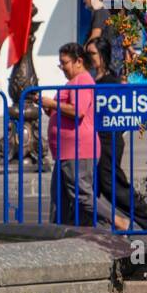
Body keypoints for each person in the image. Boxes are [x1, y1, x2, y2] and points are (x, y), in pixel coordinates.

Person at [86, 37, 147, 231]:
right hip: (93, 139)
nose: (89, 58)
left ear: (103, 56)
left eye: (92, 54)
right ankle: (90, 228)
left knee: (111, 185)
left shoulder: (111, 81)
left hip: (108, 140)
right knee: (92, 186)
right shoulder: (90, 79)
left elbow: (123, 113)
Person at [38, 43, 98, 226]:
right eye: (60, 63)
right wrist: (49, 108)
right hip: (65, 151)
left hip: (77, 148)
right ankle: (58, 236)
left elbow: (78, 111)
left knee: (82, 195)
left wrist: (52, 103)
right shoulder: (72, 82)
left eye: (64, 63)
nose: (62, 67)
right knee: (59, 198)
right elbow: (64, 111)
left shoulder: (83, 80)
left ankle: (118, 223)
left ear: (79, 61)